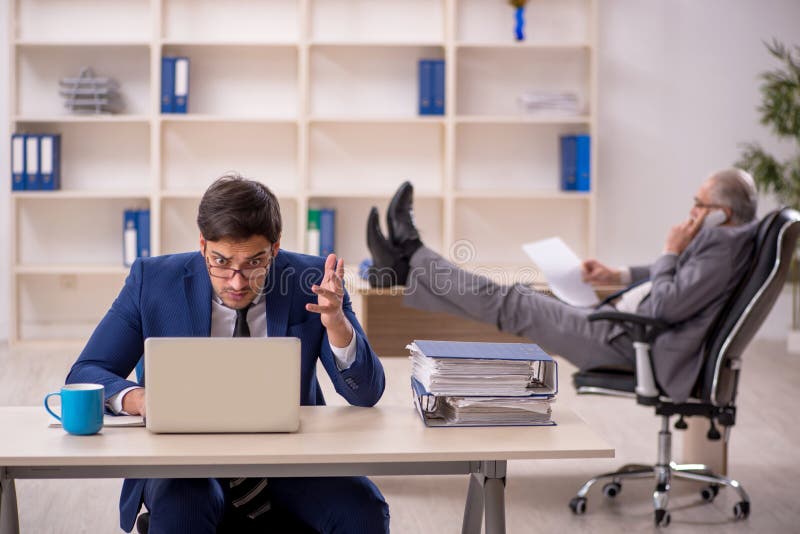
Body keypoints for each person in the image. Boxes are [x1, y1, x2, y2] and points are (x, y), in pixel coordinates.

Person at [67, 174, 390, 534]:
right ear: (202, 244)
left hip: (289, 459)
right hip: (184, 460)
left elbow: (366, 393)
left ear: (275, 248)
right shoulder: (153, 280)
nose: (237, 282)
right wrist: (141, 400)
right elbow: (87, 372)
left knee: (364, 510)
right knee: (184, 507)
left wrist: (337, 325)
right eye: (221, 261)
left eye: (254, 262)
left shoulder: (311, 280)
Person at [366, 169, 759, 404]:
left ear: (721, 214)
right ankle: (400, 268)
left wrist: (671, 250)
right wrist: (618, 274)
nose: (692, 211)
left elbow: (666, 306)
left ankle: (411, 253)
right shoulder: (726, 243)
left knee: (513, 301)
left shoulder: (721, 249)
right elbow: (678, 284)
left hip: (629, 341)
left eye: (699, 204)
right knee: (515, 299)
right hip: (621, 327)